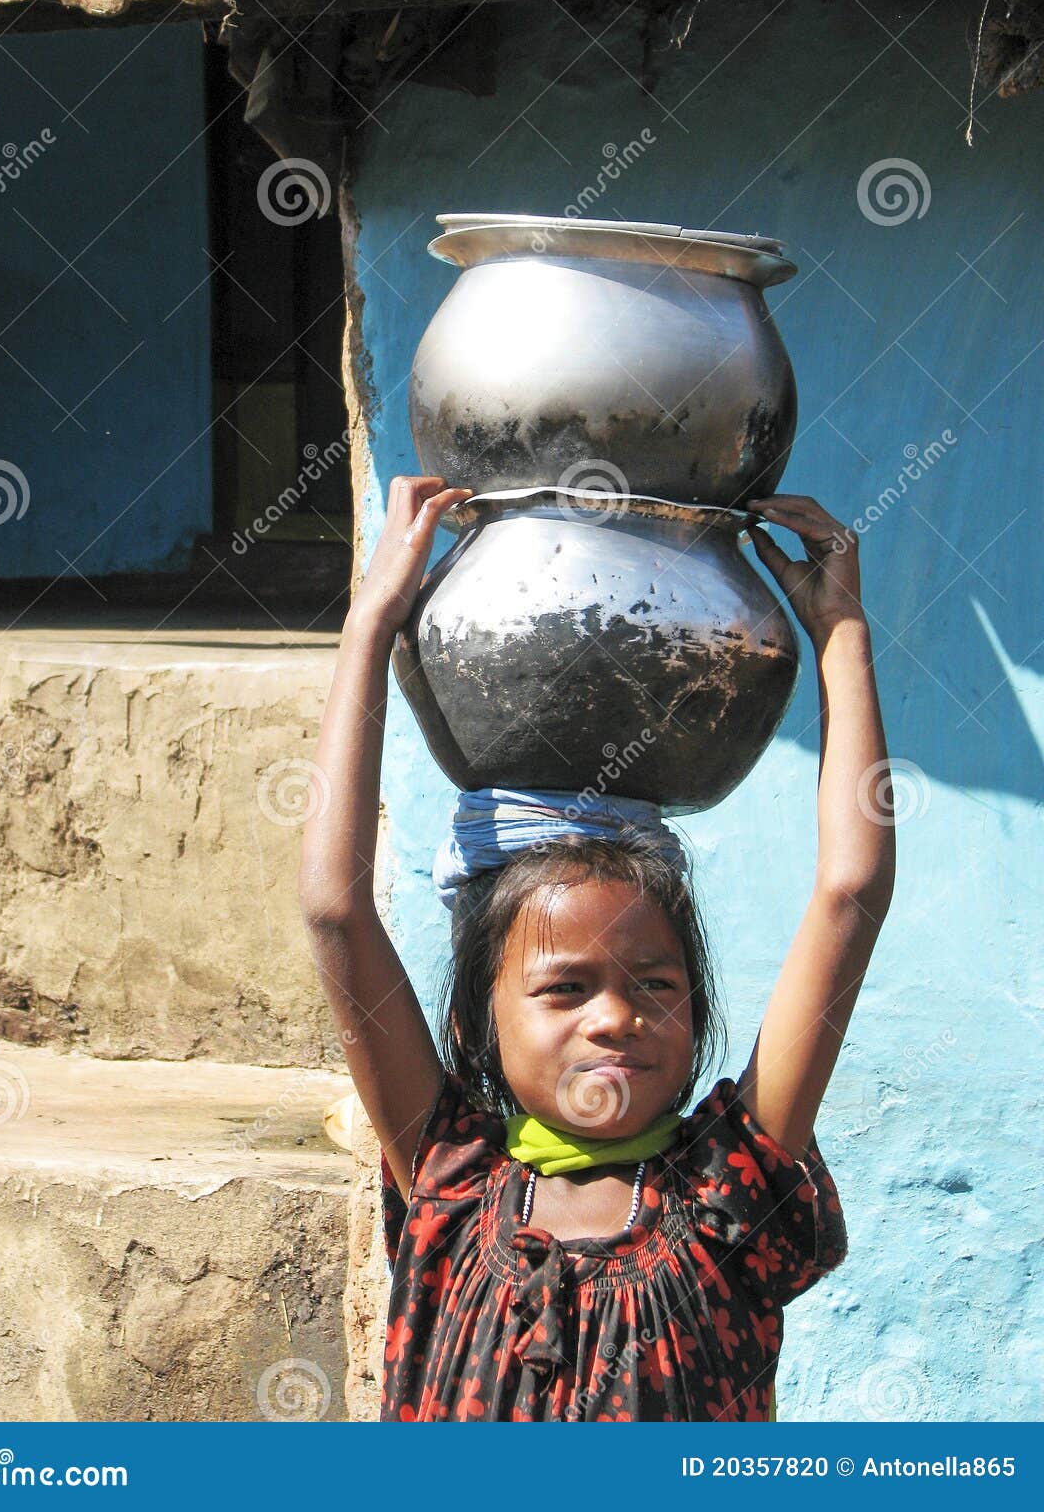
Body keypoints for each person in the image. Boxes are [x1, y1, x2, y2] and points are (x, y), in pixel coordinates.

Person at [298, 476, 895, 1422]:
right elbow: (336, 911)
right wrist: (371, 622)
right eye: (564, 987)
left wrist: (841, 632)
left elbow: (850, 895)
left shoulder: (728, 1198)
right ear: (477, 1024)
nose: (616, 1017)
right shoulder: (448, 1183)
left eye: (655, 983)